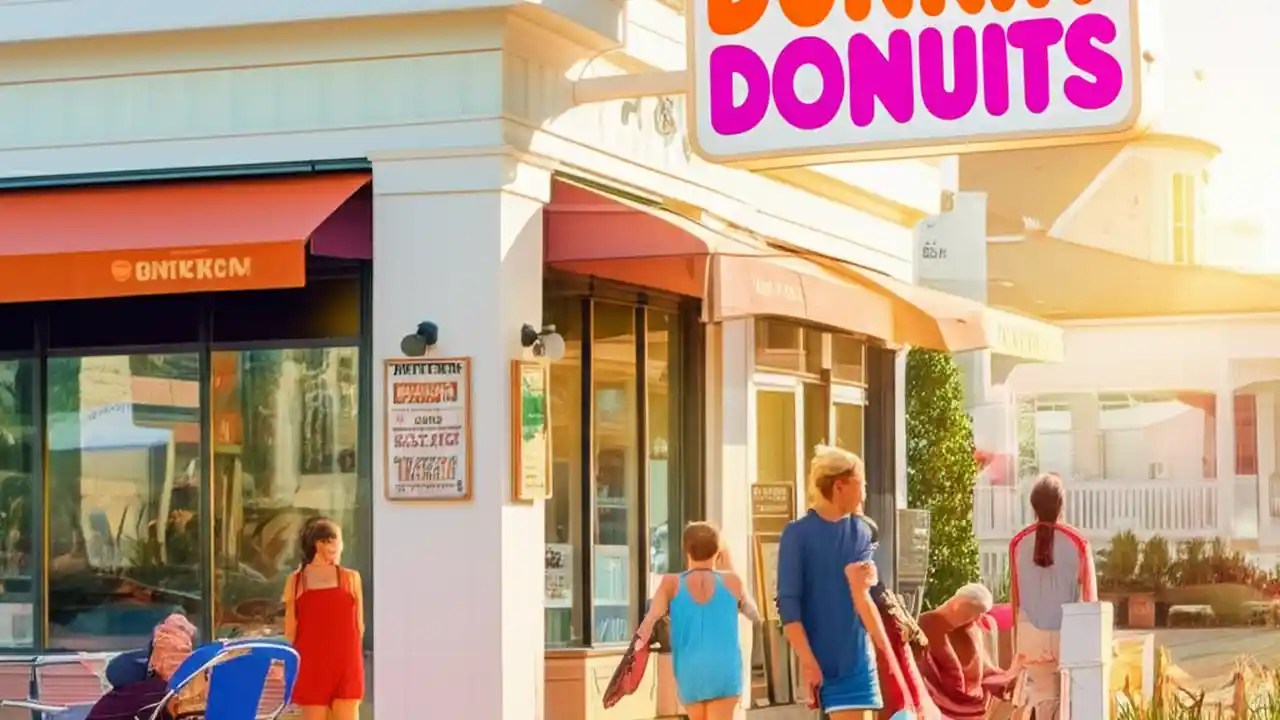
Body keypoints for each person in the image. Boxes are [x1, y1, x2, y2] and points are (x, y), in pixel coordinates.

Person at [777, 445, 909, 720]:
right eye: (861, 484)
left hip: (856, 662)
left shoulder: (860, 531)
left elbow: (864, 599)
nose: (864, 493)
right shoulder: (797, 534)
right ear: (839, 486)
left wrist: (889, 657)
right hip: (820, 660)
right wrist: (808, 662)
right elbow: (788, 605)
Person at [636, 522, 760, 720]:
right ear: (718, 550)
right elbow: (754, 614)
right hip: (724, 669)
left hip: (689, 670)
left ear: (686, 549)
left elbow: (649, 621)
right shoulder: (732, 582)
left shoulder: (670, 583)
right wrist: (729, 567)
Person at [1007, 474, 1097, 720]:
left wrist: (1016, 649)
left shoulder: (1017, 543)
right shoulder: (1077, 541)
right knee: (1065, 703)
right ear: (1061, 504)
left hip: (1029, 638)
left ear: (1033, 505)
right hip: (1066, 636)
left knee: (1037, 700)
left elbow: (1016, 598)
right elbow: (1090, 599)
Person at [284, 517, 365, 720]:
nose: (341, 546)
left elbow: (290, 631)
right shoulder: (350, 579)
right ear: (321, 544)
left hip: (316, 668)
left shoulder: (296, 581)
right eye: (337, 540)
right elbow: (359, 627)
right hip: (342, 666)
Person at [916, 584, 1012, 720]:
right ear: (957, 604)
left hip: (973, 704)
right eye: (970, 614)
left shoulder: (972, 630)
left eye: (978, 615)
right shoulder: (925, 624)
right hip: (934, 703)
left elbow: (984, 669)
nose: (975, 619)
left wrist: (1005, 679)